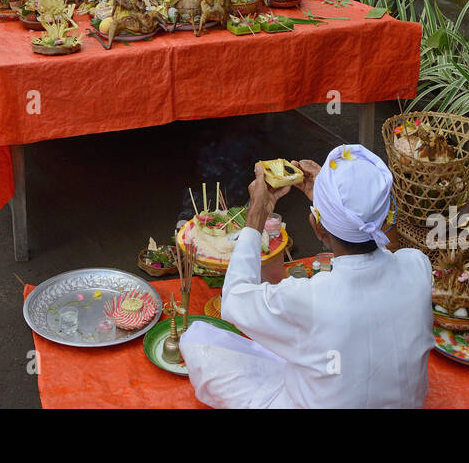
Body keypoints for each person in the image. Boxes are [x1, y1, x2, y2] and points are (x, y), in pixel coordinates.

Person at [180, 144, 433, 408]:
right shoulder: (418, 266)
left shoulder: (308, 297)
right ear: (386, 217)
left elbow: (233, 301)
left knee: (198, 340)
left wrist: (256, 214)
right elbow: (385, 248)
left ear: (317, 228)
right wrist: (332, 202)